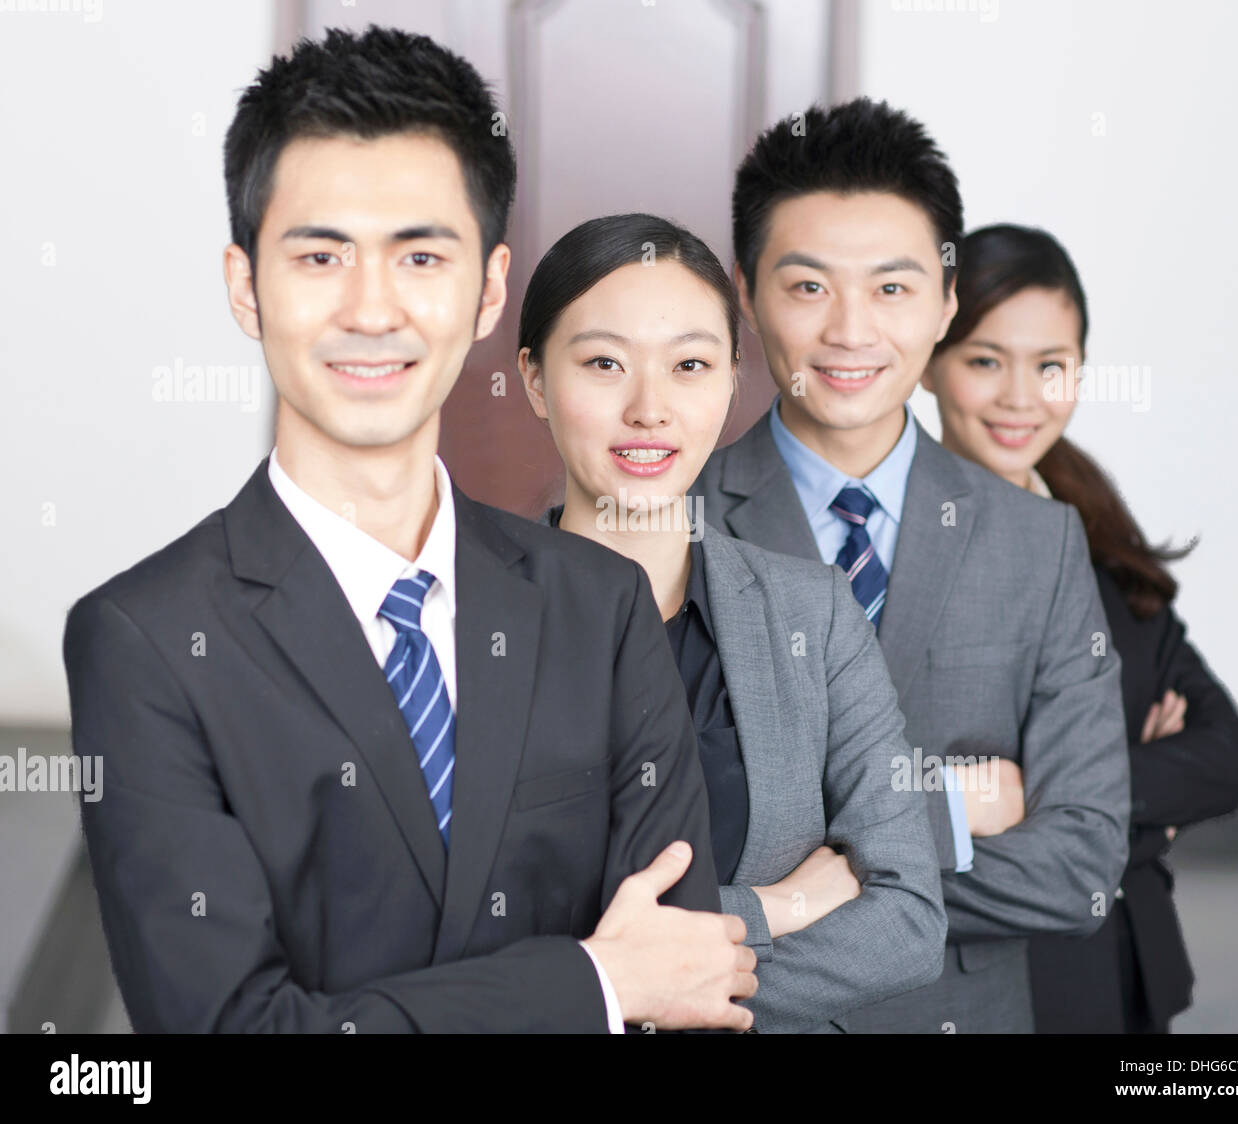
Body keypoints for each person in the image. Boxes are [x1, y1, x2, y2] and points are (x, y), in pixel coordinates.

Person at [62, 25, 757, 1034]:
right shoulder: (146, 640)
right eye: (320, 254)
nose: (372, 308)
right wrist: (596, 984)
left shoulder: (596, 606)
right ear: (245, 284)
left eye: (420, 254)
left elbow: (688, 979)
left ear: (485, 290)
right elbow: (226, 1028)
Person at [689, 97, 1131, 1033]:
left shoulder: (1037, 545)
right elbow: (651, 862)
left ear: (946, 298)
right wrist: (958, 811)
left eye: (891, 288)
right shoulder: (672, 527)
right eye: (808, 287)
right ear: (746, 292)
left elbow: (1081, 869)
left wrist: (810, 884)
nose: (852, 331)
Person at [516, 213, 947, 1033]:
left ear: (730, 381)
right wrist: (776, 905)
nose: (650, 409)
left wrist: (629, 988)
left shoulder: (812, 613)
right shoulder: (469, 622)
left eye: (689, 365)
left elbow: (907, 921)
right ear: (535, 379)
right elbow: (480, 934)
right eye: (604, 363)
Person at [921, 222, 1238, 1033]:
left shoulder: (1098, 534)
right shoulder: (888, 547)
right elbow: (885, 797)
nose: (1020, 398)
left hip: (1124, 975)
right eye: (984, 361)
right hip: (977, 977)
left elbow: (1226, 754)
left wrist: (1043, 795)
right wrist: (1135, 796)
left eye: (1051, 366)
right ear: (929, 361)